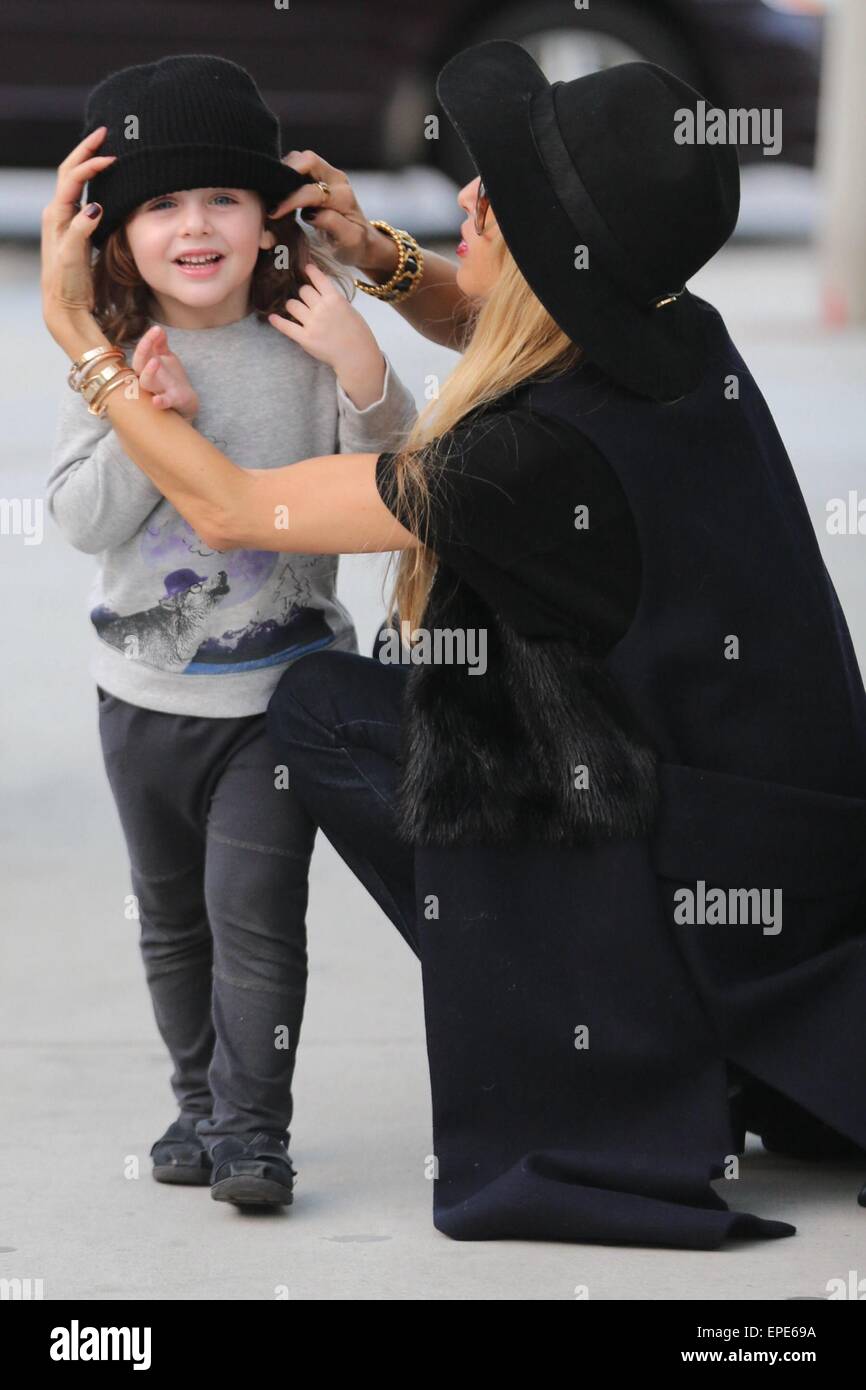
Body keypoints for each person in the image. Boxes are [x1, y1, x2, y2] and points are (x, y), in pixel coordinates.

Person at [42, 41, 866, 1248]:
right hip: (787, 863)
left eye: (505, 192)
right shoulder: (673, 331)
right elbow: (507, 309)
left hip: (677, 894)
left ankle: (592, 1004)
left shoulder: (515, 467)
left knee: (324, 704)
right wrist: (380, 260)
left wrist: (88, 344)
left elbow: (230, 507)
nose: (469, 195)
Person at [44, 54, 416, 1207]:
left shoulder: (310, 330)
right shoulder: (109, 356)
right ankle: (196, 1100)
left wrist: (360, 366)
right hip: (143, 702)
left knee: (255, 922)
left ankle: (256, 1127)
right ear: (113, 235)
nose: (194, 226)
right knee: (170, 923)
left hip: (281, 702)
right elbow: (73, 518)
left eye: (221, 199)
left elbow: (398, 486)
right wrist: (138, 421)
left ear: (270, 219)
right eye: (160, 204)